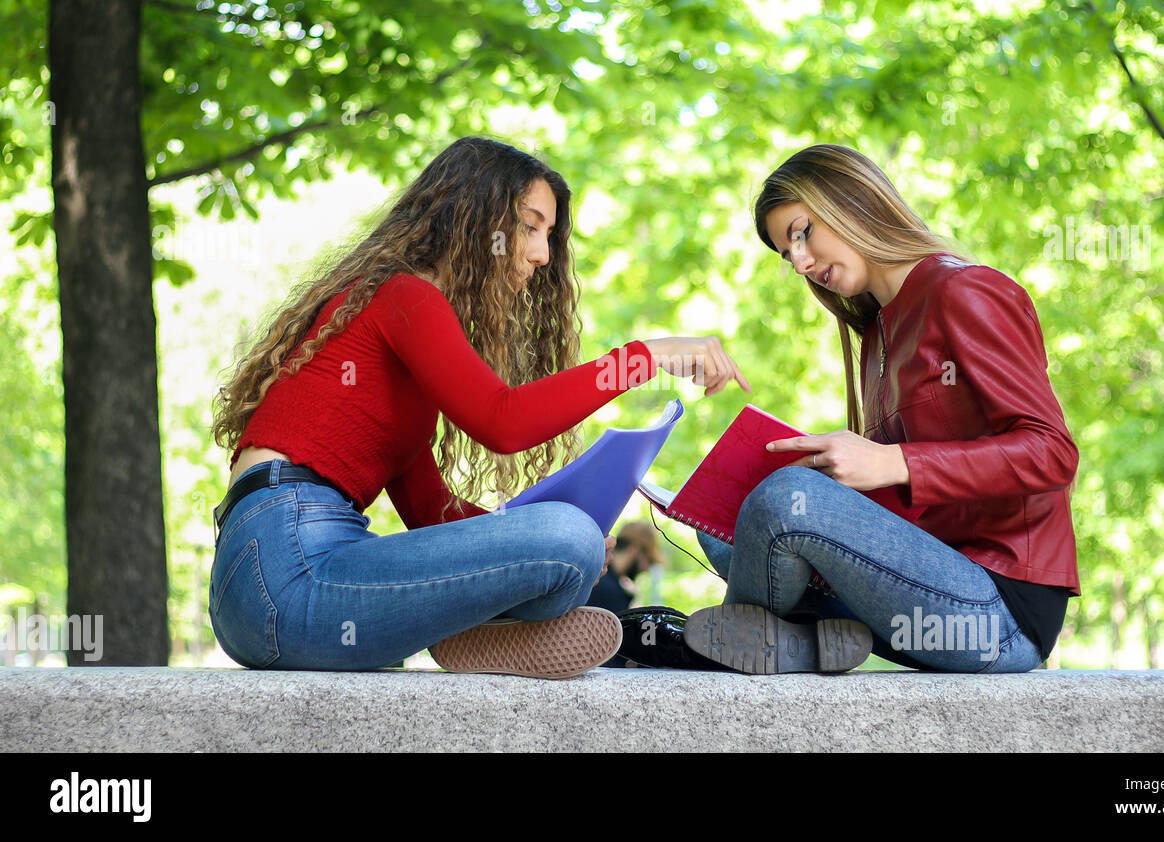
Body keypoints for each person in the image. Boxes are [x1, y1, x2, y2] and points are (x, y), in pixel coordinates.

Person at [209, 136, 749, 678]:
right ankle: (490, 622)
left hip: (287, 593)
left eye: (549, 235)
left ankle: (486, 632)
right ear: (473, 217)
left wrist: (527, 548)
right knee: (567, 539)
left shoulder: (399, 359)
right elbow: (503, 420)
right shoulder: (405, 295)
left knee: (569, 550)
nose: (542, 254)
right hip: (286, 571)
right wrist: (645, 357)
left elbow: (430, 513)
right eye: (530, 226)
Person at [684, 143, 1079, 674]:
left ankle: (739, 651)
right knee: (722, 518)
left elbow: (1053, 453)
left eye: (802, 233)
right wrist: (841, 474)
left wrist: (890, 464)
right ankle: (797, 645)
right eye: (786, 253)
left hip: (997, 613)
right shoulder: (878, 333)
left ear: (853, 201)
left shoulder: (966, 290)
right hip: (918, 588)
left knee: (785, 499)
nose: (799, 261)